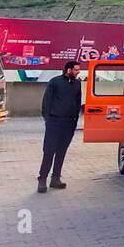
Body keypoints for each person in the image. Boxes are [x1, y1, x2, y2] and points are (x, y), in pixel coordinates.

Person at [38, 61, 82, 193]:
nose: (78, 72)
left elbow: (78, 102)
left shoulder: (77, 84)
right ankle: (42, 179)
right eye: (76, 69)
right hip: (54, 122)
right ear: (68, 70)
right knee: (49, 151)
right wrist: (48, 119)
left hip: (69, 123)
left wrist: (75, 120)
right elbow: (47, 101)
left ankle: (55, 178)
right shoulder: (55, 82)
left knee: (61, 151)